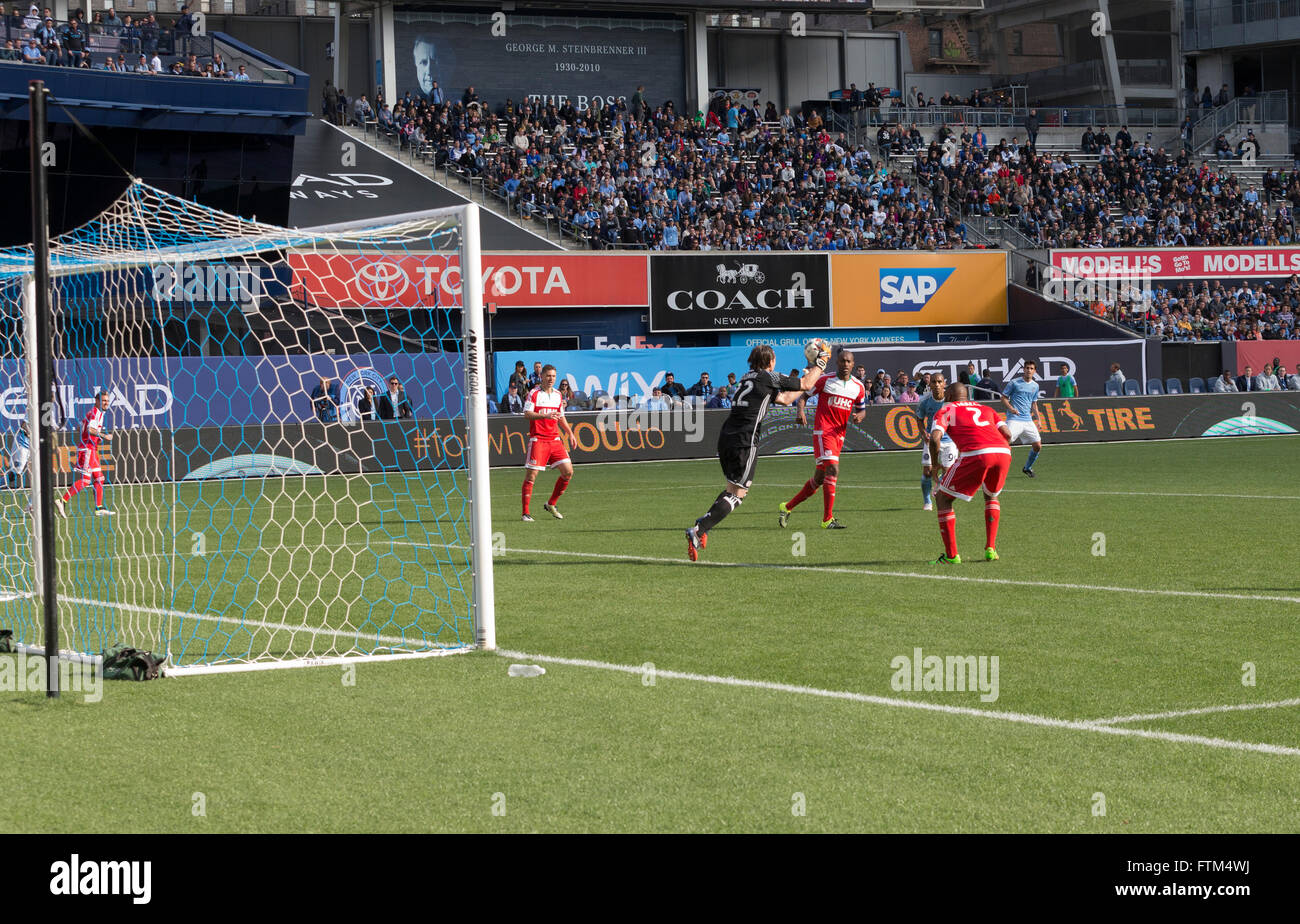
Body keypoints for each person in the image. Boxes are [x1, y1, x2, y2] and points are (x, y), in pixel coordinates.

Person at [685, 343, 828, 561]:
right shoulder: (769, 377)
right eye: (774, 359)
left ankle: (703, 524)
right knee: (739, 494)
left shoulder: (746, 377)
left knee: (732, 488)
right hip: (745, 439)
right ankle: (699, 529)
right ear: (769, 361)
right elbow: (807, 383)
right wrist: (819, 364)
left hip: (727, 437)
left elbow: (785, 399)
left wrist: (806, 379)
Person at [779, 348, 866, 530]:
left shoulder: (858, 387)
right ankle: (827, 519)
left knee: (819, 478)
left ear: (853, 364)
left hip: (839, 435)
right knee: (833, 469)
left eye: (848, 362)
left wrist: (860, 416)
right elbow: (803, 396)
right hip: (823, 432)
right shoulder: (825, 380)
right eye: (842, 361)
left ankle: (786, 507)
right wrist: (800, 411)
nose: (845, 365)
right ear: (837, 363)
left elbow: (861, 409)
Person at [930, 382, 1012, 564]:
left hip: (977, 453)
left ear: (949, 395)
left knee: (943, 498)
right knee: (991, 496)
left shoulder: (947, 410)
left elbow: (935, 439)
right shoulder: (986, 409)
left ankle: (951, 556)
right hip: (1003, 452)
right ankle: (991, 548)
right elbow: (1007, 434)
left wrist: (935, 466)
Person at [521, 364, 577, 522]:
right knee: (531, 475)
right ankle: (525, 512)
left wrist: (570, 433)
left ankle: (551, 504)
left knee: (568, 472)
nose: (551, 379)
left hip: (555, 440)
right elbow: (527, 414)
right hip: (538, 439)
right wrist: (544, 416)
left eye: (553, 376)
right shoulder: (534, 393)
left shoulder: (558, 395)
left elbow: (560, 416)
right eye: (548, 376)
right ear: (542, 377)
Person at [55, 391, 114, 518]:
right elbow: (90, 429)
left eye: (107, 401)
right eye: (104, 400)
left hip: (92, 449)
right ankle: (62, 501)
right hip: (87, 450)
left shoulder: (91, 413)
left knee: (99, 478)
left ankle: (99, 508)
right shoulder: (96, 412)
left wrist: (93, 438)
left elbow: (79, 427)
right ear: (97, 401)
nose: (106, 403)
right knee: (86, 481)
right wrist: (104, 436)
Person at [916, 372, 957, 511]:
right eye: (934, 382)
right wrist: (923, 433)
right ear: (929, 384)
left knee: (948, 471)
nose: (937, 385)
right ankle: (927, 501)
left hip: (949, 440)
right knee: (927, 471)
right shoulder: (924, 400)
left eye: (940, 382)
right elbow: (919, 419)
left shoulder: (951, 399)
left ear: (944, 383)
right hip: (931, 440)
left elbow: (957, 421)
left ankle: (940, 482)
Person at [1001, 360, 1044, 478]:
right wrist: (1011, 408)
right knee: (1004, 443)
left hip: (1028, 420)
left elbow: (1034, 404)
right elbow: (1003, 398)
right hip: (1014, 418)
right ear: (1023, 369)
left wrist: (1038, 420)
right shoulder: (1014, 383)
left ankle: (1027, 468)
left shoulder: (1035, 386)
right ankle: (1000, 468)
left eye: (1031, 368)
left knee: (1037, 445)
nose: (1029, 370)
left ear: (1034, 371)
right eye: (1027, 368)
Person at [6, 420, 29, 489]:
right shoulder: (32, 410)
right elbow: (24, 425)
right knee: (14, 474)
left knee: (38, 471)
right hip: (23, 443)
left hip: (36, 444)